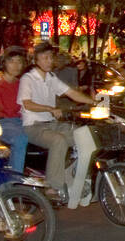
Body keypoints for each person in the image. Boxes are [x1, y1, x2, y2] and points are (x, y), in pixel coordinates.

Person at [20, 41, 97, 207]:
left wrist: (94, 102)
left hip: (52, 124)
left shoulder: (51, 78)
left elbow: (71, 93)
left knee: (84, 135)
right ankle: (52, 187)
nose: (49, 61)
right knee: (58, 141)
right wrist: (50, 108)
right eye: (45, 58)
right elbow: (27, 104)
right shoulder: (28, 79)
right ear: (36, 60)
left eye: (50, 57)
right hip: (33, 126)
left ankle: (75, 176)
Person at [0, 46, 30, 173]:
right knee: (21, 139)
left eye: (19, 61)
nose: (16, 65)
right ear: (4, 63)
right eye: (11, 61)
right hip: (3, 123)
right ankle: (15, 176)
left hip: (21, 122)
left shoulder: (21, 83)